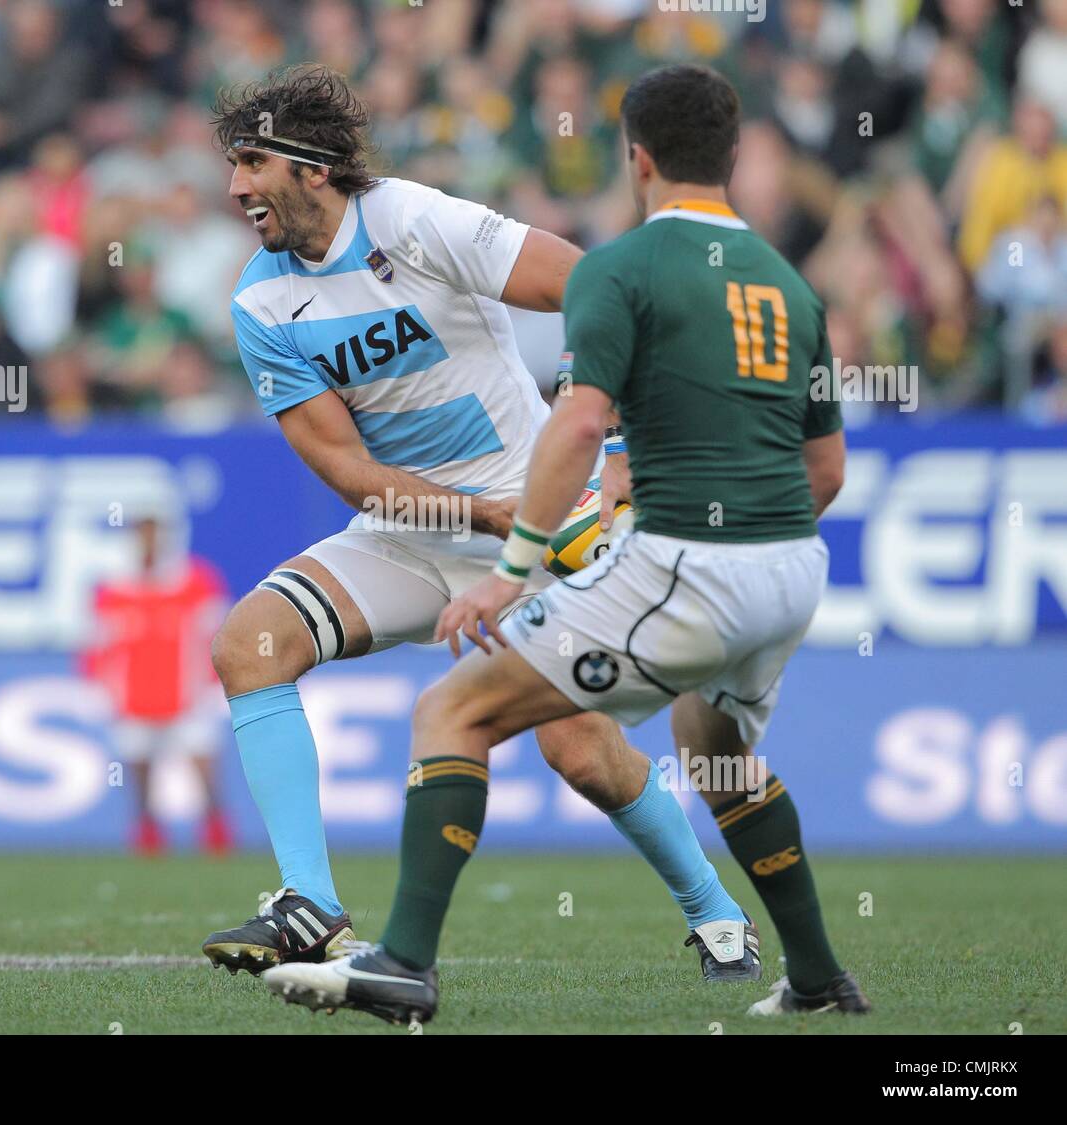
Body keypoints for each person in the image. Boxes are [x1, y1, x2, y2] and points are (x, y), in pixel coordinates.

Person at [264, 63, 870, 1025]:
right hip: (791, 567)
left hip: (682, 567)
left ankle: (404, 964)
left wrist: (512, 573)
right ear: (738, 157)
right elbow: (828, 472)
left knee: (453, 712)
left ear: (636, 159)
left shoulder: (626, 269)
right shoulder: (786, 285)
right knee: (714, 753)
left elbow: (580, 428)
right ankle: (818, 980)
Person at [82, 517, 233, 855]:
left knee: (205, 771)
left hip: (187, 698)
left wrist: (213, 682)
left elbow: (218, 632)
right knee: (140, 775)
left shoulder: (194, 581)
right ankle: (148, 833)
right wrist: (99, 688)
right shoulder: (114, 589)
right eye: (141, 536)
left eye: (154, 535)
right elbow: (96, 643)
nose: (148, 543)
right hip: (134, 700)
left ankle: (216, 832)